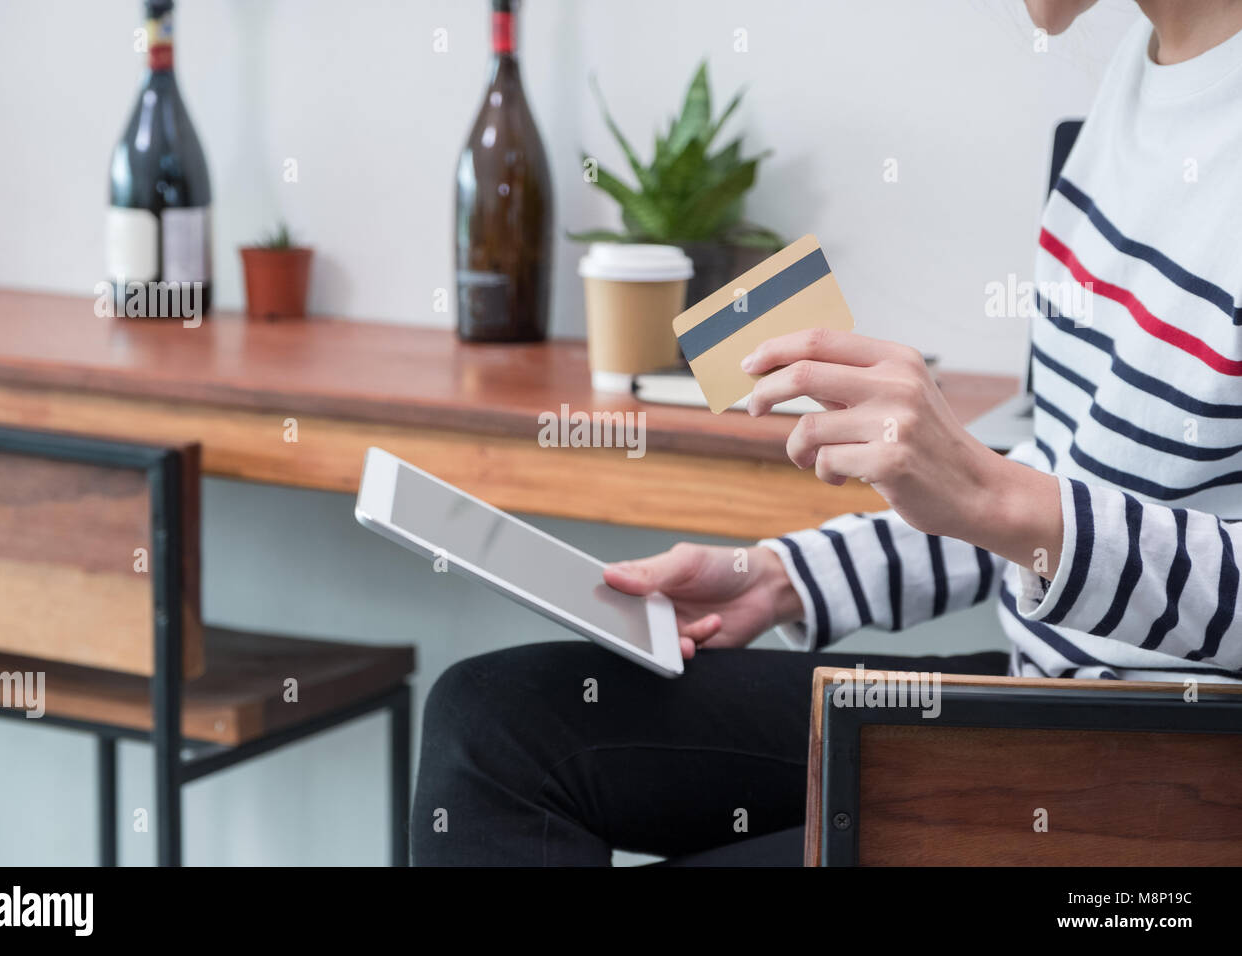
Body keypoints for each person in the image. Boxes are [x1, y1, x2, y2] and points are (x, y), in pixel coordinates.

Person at [412, 0, 1242, 865]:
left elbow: (1027, 509)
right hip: (1044, 697)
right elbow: (1077, 479)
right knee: (490, 723)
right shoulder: (1146, 75)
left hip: (1172, 773)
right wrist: (786, 580)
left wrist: (990, 492)